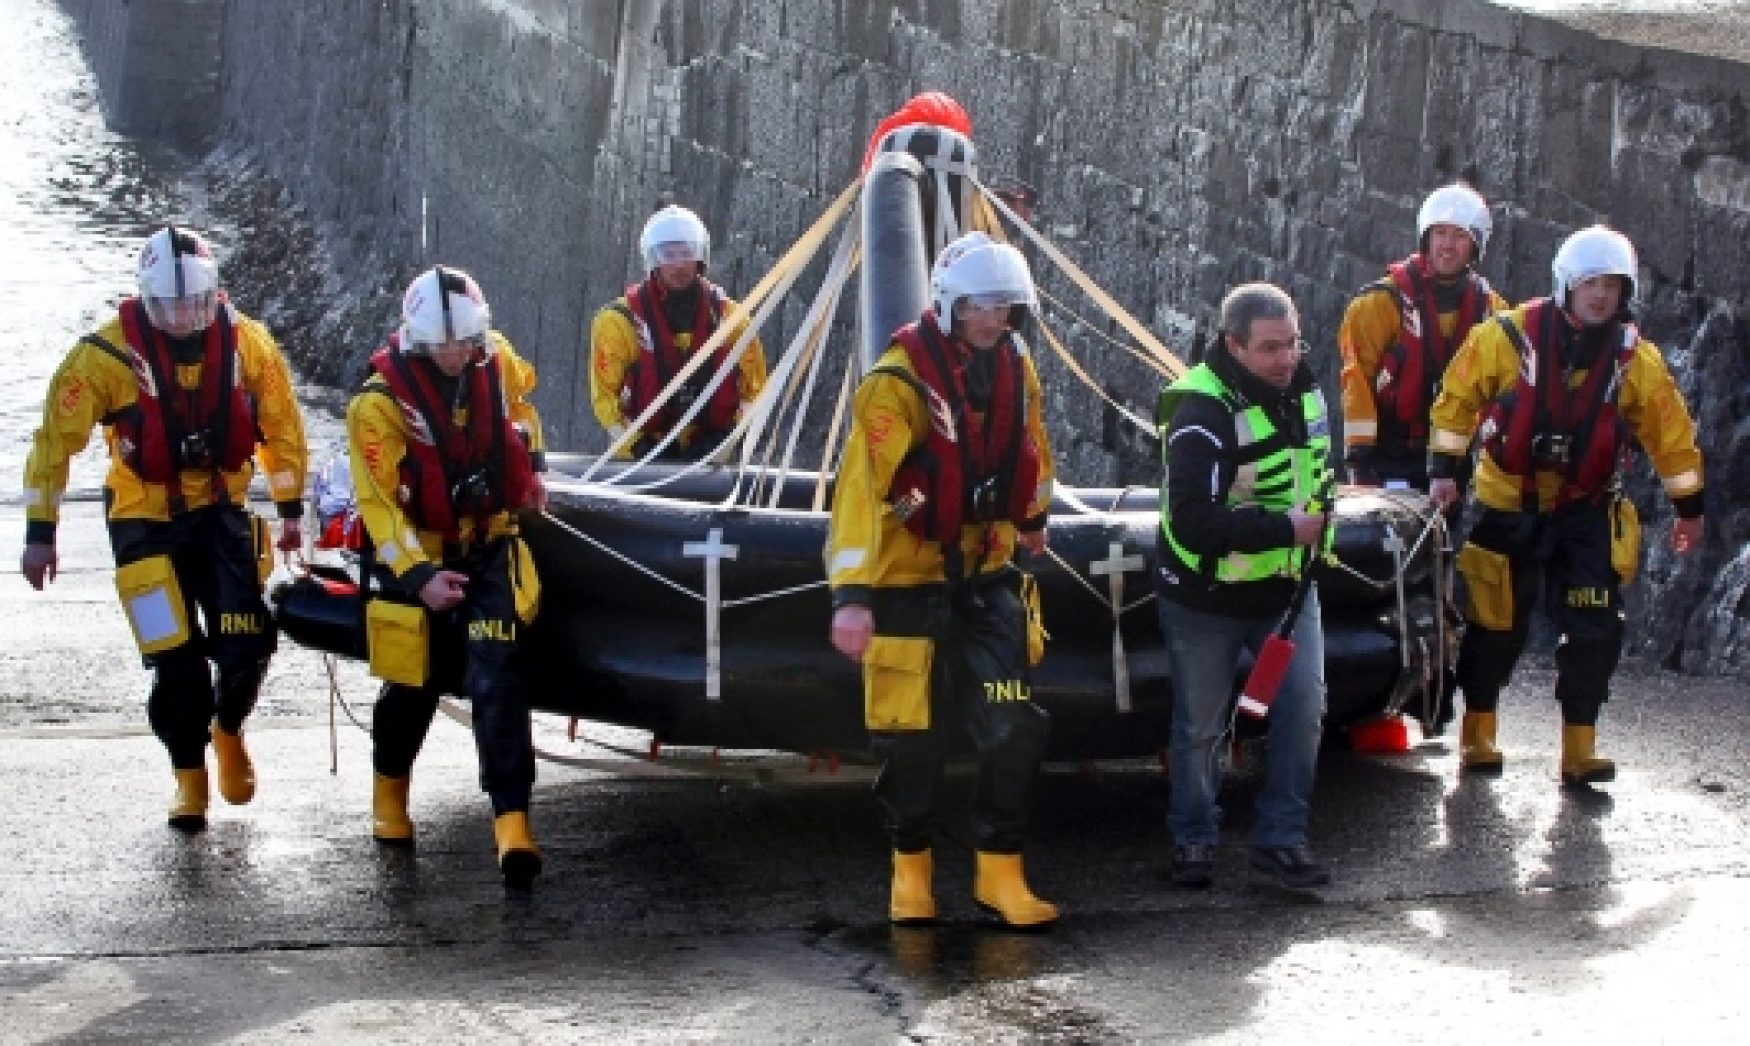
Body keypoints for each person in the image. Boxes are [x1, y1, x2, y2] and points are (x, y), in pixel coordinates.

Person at [20, 225, 309, 831]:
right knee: (173, 657)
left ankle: (228, 728)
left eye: (195, 304)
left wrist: (288, 510)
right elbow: (53, 441)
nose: (183, 317)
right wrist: (40, 529)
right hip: (142, 521)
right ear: (148, 302)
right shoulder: (102, 359)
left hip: (222, 513)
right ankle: (188, 776)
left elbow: (282, 425)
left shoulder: (248, 345)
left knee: (247, 641)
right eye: (171, 305)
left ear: (214, 297)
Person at [826, 231, 1058, 929]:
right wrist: (852, 597)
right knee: (909, 737)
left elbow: (1032, 446)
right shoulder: (894, 387)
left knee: (1012, 721)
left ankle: (1000, 872)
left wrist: (1033, 517)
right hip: (907, 578)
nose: (994, 319)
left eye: (1005, 306)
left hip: (987, 570)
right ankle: (911, 871)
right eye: (982, 305)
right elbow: (864, 493)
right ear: (952, 305)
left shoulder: (1018, 365)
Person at [1427, 226, 1704, 784]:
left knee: (1595, 630)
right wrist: (1444, 476)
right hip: (1509, 503)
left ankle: (1579, 748)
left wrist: (1688, 507)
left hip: (1585, 509)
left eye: (1612, 286)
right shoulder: (1502, 339)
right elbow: (1456, 406)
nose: (1600, 296)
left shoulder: (1634, 361)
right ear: (1566, 284)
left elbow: (1668, 433)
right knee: (1494, 627)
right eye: (1589, 283)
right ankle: (1477, 732)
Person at [346, 265, 550, 885]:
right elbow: (379, 503)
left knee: (499, 678)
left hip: (488, 544)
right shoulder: (378, 408)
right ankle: (389, 795)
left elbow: (521, 410)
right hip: (421, 552)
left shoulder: (498, 362)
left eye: (465, 342)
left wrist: (533, 469)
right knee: (413, 685)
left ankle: (512, 823)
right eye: (445, 344)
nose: (458, 355)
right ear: (418, 340)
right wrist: (419, 576)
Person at [1154, 282, 1334, 891]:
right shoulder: (1200, 414)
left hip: (1285, 588)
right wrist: (1287, 529)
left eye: (1292, 344)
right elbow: (1192, 520)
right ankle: (1193, 838)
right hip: (1206, 598)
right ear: (1234, 347)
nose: (1287, 359)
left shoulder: (1304, 390)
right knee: (1202, 725)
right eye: (1270, 349)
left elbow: (1319, 475)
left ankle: (1282, 840)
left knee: (1303, 708)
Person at [1338, 184, 1509, 489]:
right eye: (1440, 233)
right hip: (1389, 454)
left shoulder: (1491, 309)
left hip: (1452, 459)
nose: (1447, 245)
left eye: (1459, 236)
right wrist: (1359, 462)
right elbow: (1357, 381)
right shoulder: (1378, 304)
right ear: (1425, 237)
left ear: (1476, 244)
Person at [588, 205, 767, 461]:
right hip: (639, 461)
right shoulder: (617, 323)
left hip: (710, 459)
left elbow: (755, 391)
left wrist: (726, 437)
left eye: (686, 252)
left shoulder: (732, 320)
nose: (679, 264)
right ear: (653, 259)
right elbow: (604, 398)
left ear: (700, 256)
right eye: (668, 254)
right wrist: (639, 445)